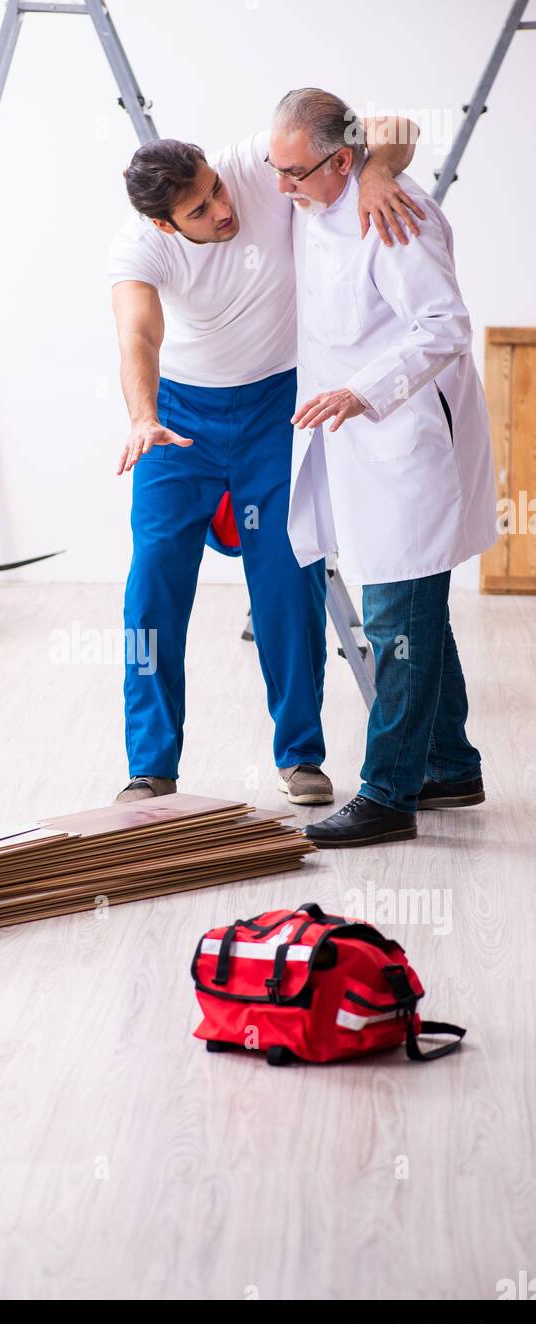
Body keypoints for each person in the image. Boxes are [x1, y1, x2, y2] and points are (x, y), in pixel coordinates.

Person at [107, 116, 423, 806]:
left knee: (288, 576)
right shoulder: (139, 248)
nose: (223, 209)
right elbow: (138, 333)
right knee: (151, 589)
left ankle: (300, 756)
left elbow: (393, 121)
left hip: (275, 409)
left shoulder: (252, 163)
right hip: (176, 422)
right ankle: (149, 766)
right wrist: (141, 417)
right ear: (166, 226)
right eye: (199, 210)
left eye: (215, 190)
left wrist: (373, 169)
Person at [267, 88, 496, 847]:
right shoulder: (320, 195)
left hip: (402, 443)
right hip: (354, 440)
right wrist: (376, 163)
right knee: (414, 607)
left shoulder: (393, 217)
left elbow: (446, 327)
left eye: (292, 172)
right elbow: (389, 126)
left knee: (397, 618)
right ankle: (450, 763)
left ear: (340, 160)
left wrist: (362, 393)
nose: (278, 188)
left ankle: (388, 794)